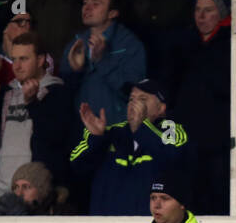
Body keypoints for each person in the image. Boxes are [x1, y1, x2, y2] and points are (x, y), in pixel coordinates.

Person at [0, 30, 73, 206]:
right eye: (14, 59)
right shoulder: (6, 92)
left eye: (24, 59)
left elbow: (55, 136)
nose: (17, 66)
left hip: (36, 194)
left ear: (41, 60)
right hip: (0, 190)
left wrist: (33, 103)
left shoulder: (57, 92)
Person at [71, 81, 192, 216]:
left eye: (142, 99)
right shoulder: (109, 131)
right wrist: (97, 138)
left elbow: (176, 160)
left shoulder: (171, 130)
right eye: (131, 99)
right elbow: (76, 168)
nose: (133, 103)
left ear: (161, 109)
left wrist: (141, 128)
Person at [171, 0, 231, 214]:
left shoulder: (230, 44)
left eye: (208, 10)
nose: (201, 16)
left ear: (221, 13)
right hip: (187, 135)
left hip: (216, 138)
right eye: (198, 10)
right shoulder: (184, 42)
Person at [61, 0, 146, 132]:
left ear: (112, 13)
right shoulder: (76, 43)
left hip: (116, 130)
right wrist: (75, 71)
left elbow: (134, 92)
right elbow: (64, 93)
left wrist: (102, 61)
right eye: (85, 2)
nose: (87, 8)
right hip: (82, 131)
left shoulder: (129, 44)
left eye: (95, 4)